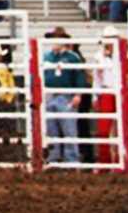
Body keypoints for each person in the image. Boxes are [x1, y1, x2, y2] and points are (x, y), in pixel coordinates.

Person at [43, 27, 87, 164]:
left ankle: (71, 160)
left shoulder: (72, 57)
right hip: (49, 94)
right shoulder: (46, 56)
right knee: (51, 129)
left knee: (69, 129)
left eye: (57, 37)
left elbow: (80, 77)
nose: (55, 40)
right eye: (53, 37)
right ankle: (53, 159)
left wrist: (78, 94)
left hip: (66, 95)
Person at [93, 26, 123, 168]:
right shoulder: (99, 56)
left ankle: (120, 160)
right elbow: (97, 77)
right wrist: (95, 95)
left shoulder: (126, 54)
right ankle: (104, 162)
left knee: (123, 128)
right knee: (103, 130)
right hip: (106, 92)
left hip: (122, 91)